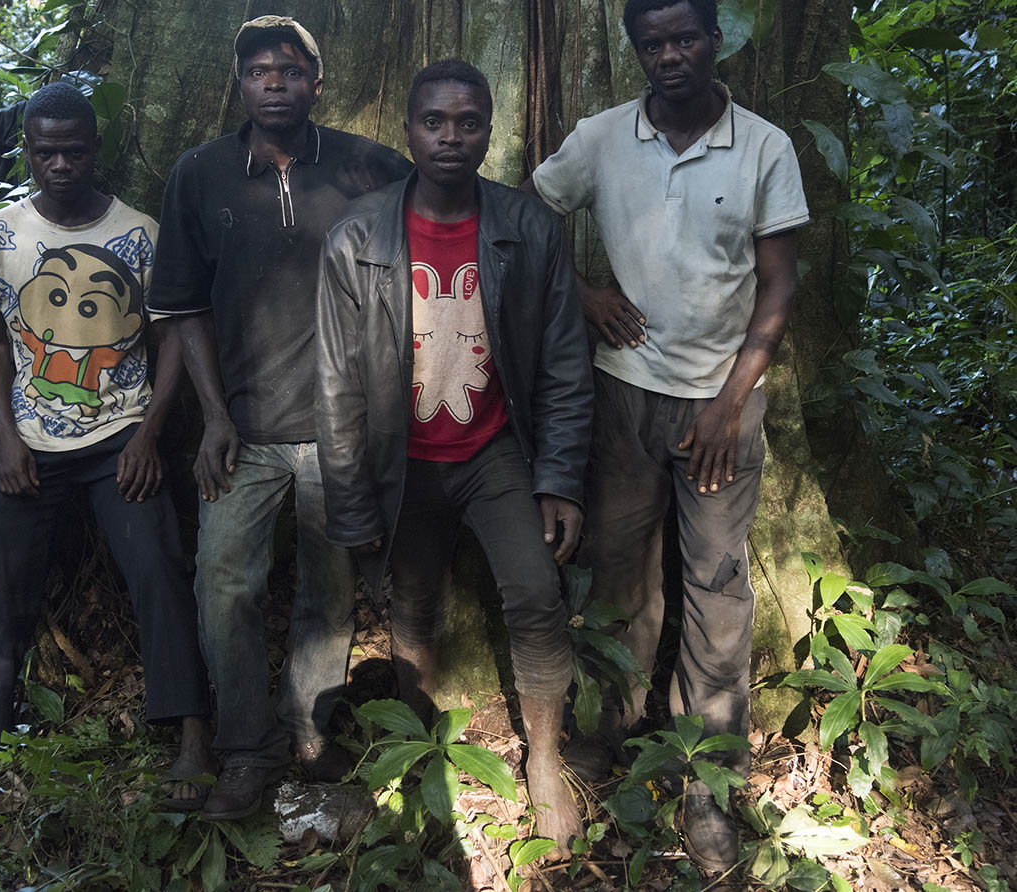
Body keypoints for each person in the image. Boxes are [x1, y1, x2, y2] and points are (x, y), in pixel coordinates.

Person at [527, 0, 809, 872]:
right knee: (616, 572)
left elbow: (780, 283)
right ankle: (604, 737)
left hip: (724, 406)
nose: (670, 54)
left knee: (718, 588)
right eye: (653, 43)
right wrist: (582, 293)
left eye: (685, 37)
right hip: (623, 396)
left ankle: (709, 781)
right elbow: (528, 219)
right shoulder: (604, 136)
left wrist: (731, 399)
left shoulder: (763, 145)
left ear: (715, 41)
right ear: (636, 51)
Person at [316, 59, 593, 854]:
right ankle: (418, 751)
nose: (449, 137)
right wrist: (352, 501)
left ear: (488, 130)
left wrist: (560, 480)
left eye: (467, 122)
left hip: (494, 450)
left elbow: (565, 362)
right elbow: (336, 382)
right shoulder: (359, 237)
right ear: (408, 129)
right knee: (413, 607)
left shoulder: (526, 226)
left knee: (537, 593)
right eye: (433, 121)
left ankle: (544, 758)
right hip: (402, 460)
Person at [147, 16, 412, 821]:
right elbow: (182, 307)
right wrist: (215, 417)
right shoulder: (200, 173)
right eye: (259, 71)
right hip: (245, 434)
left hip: (340, 428)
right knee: (224, 584)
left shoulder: (366, 165)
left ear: (317, 82)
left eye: (291, 71)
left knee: (328, 593)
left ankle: (308, 731)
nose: (275, 83)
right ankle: (245, 748)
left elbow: (451, 196)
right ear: (238, 82)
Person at [0, 82, 212, 808]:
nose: (61, 164)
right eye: (46, 152)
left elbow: (172, 338)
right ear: (28, 153)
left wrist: (148, 435)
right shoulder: (0, 236)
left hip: (119, 442)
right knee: (0, 585)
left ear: (96, 150)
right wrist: (6, 440)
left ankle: (191, 733)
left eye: (74, 150)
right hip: (31, 445)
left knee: (160, 570)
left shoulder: (140, 232)